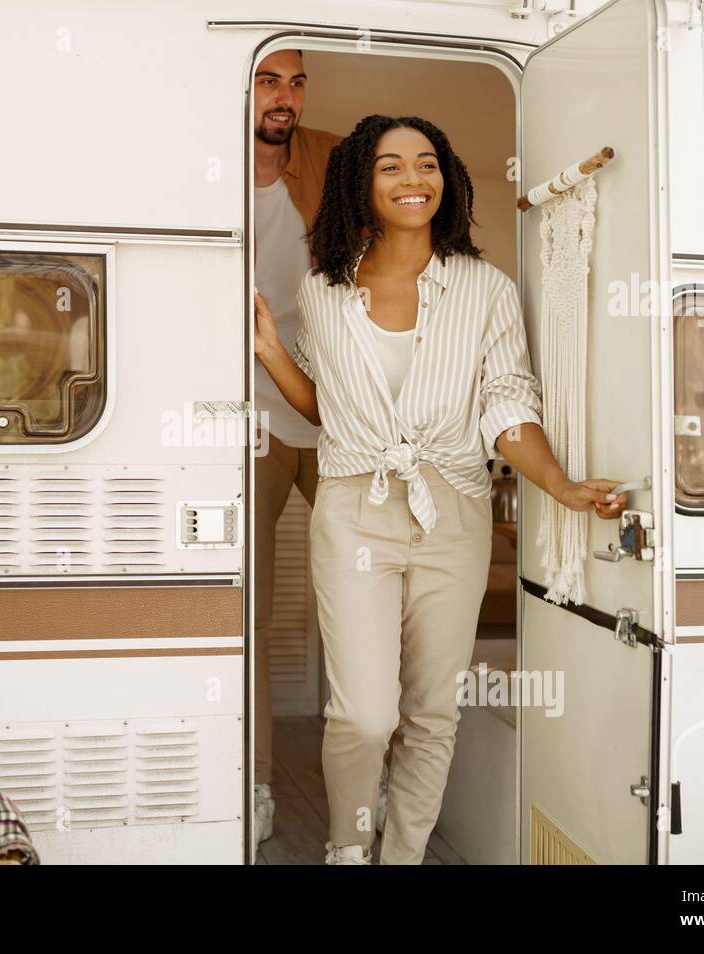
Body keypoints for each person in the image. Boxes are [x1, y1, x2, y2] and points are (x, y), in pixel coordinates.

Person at [254, 114, 628, 865]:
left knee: (431, 712)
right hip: (355, 511)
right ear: (362, 182)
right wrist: (269, 352)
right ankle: (347, 848)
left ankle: (402, 856)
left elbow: (507, 403)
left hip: (452, 510)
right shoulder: (323, 289)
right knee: (362, 714)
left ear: (446, 180)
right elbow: (333, 409)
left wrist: (559, 484)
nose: (413, 179)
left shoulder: (484, 289)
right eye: (391, 166)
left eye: (427, 164)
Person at [248, 48, 342, 847]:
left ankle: (369, 801)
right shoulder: (202, 168)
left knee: (369, 597)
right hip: (255, 413)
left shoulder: (330, 159)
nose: (284, 97)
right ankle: (257, 788)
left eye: (295, 82)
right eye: (268, 80)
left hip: (340, 409)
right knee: (249, 604)